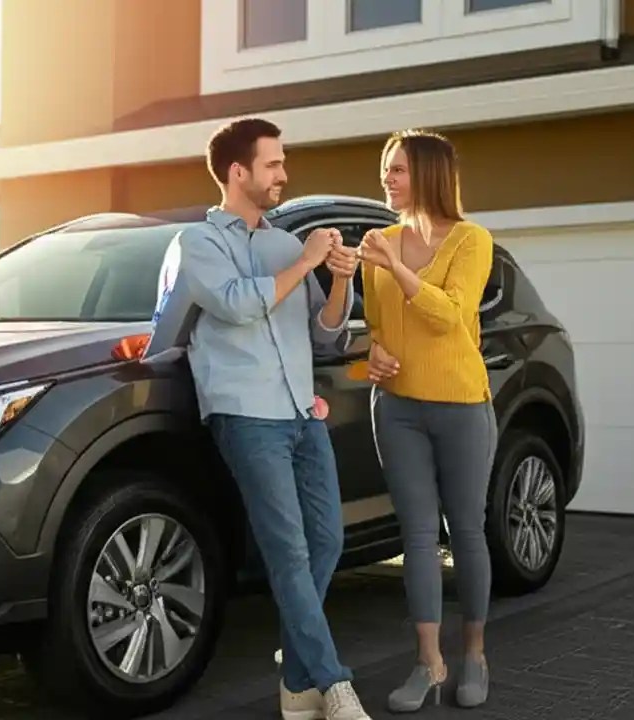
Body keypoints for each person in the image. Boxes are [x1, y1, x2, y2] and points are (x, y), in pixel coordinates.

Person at [174, 117, 370, 720]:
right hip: (246, 416)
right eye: (273, 164)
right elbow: (235, 304)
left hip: (300, 412)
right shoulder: (199, 243)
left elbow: (322, 333)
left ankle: (298, 681)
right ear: (238, 173)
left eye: (283, 163)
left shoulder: (288, 246)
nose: (284, 174)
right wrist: (308, 256)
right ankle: (334, 685)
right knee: (287, 551)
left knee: (326, 540)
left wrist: (338, 281)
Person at [355, 128, 498, 712]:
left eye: (399, 170)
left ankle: (475, 654)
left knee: (465, 532)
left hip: (463, 405)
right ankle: (428, 662)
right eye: (386, 168)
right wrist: (373, 352)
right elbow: (376, 322)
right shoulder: (379, 241)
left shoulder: (471, 240)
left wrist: (397, 265)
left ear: (430, 176)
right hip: (398, 407)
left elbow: (450, 316)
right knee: (415, 536)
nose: (387, 179)